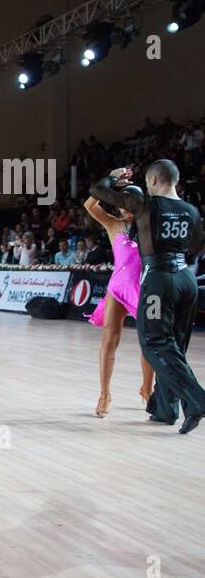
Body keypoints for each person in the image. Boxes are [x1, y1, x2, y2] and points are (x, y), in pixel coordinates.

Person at [92, 161, 205, 433]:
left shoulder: (146, 204)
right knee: (174, 346)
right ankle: (165, 409)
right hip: (186, 279)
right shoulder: (190, 210)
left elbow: (98, 191)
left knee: (154, 342)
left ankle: (198, 400)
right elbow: (197, 245)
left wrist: (114, 176)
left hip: (159, 277)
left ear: (153, 181)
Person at [82, 196, 154, 417]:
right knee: (109, 341)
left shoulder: (149, 224)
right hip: (117, 288)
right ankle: (105, 394)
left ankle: (147, 389)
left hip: (141, 289)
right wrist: (112, 180)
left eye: (127, 202)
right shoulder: (114, 224)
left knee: (148, 343)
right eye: (120, 203)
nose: (122, 207)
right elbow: (89, 205)